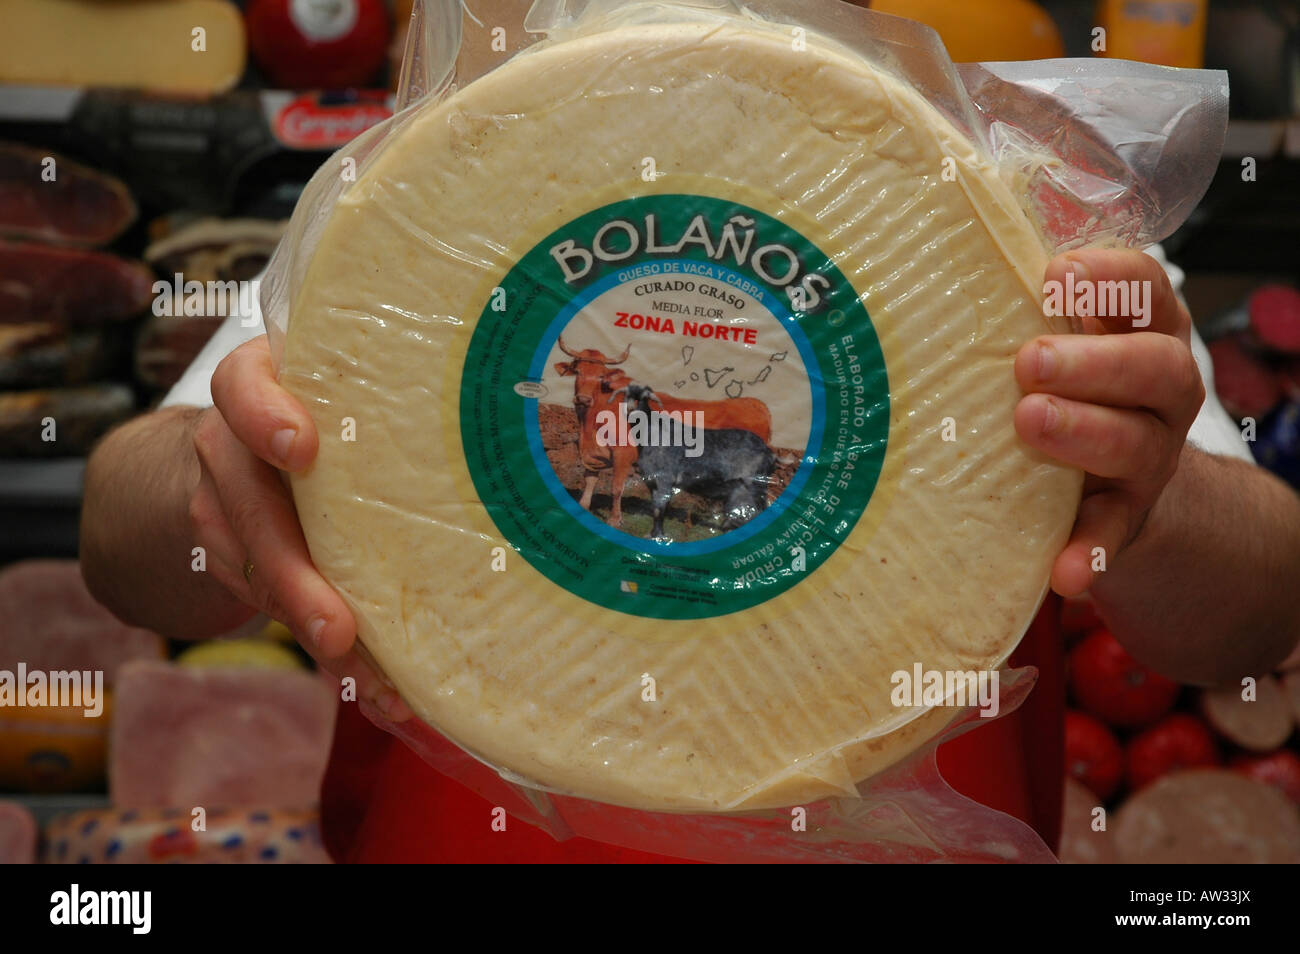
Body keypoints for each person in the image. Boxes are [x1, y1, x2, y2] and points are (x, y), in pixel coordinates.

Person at [79, 246, 1300, 862]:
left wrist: (1152, 483)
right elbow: (119, 550)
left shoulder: (1008, 202)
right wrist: (209, 476)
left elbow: (1256, 617)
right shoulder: (430, 186)